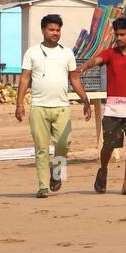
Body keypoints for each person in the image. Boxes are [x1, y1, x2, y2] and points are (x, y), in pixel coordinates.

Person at [15, 14, 91, 199]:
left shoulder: (67, 53)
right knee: (41, 148)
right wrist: (19, 103)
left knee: (64, 143)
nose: (55, 33)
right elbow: (25, 78)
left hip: (62, 107)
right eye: (51, 29)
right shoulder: (32, 52)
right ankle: (42, 186)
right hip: (39, 107)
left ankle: (57, 173)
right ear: (43, 30)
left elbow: (74, 78)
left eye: (57, 30)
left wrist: (85, 100)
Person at [79, 16, 126, 195]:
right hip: (113, 109)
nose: (119, 38)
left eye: (123, 35)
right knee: (108, 147)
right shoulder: (110, 54)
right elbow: (96, 60)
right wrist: (86, 65)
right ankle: (103, 170)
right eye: (117, 35)